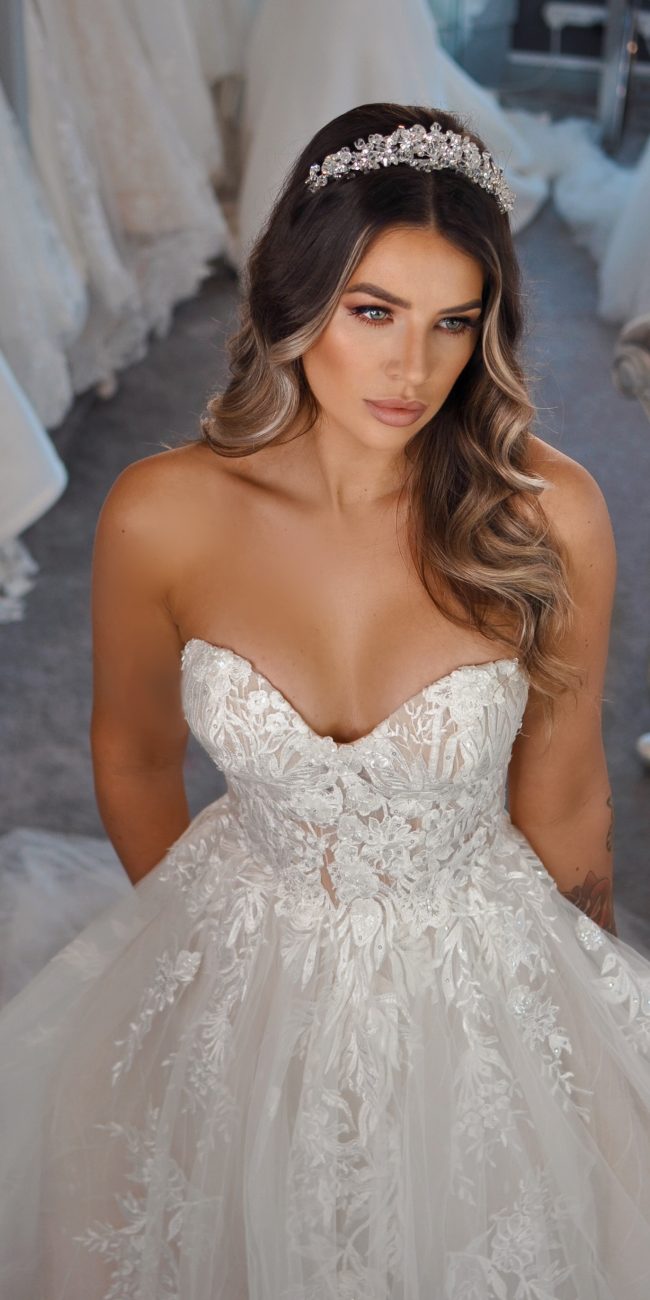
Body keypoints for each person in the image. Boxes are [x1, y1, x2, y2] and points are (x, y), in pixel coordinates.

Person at [1, 101, 650, 1300]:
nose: (414, 368)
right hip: (241, 942)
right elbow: (136, 758)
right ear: (291, 298)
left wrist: (586, 1035)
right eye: (373, 313)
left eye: (453, 322)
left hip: (476, 972)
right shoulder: (163, 512)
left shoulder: (547, 516)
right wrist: (206, 964)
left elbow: (567, 801)